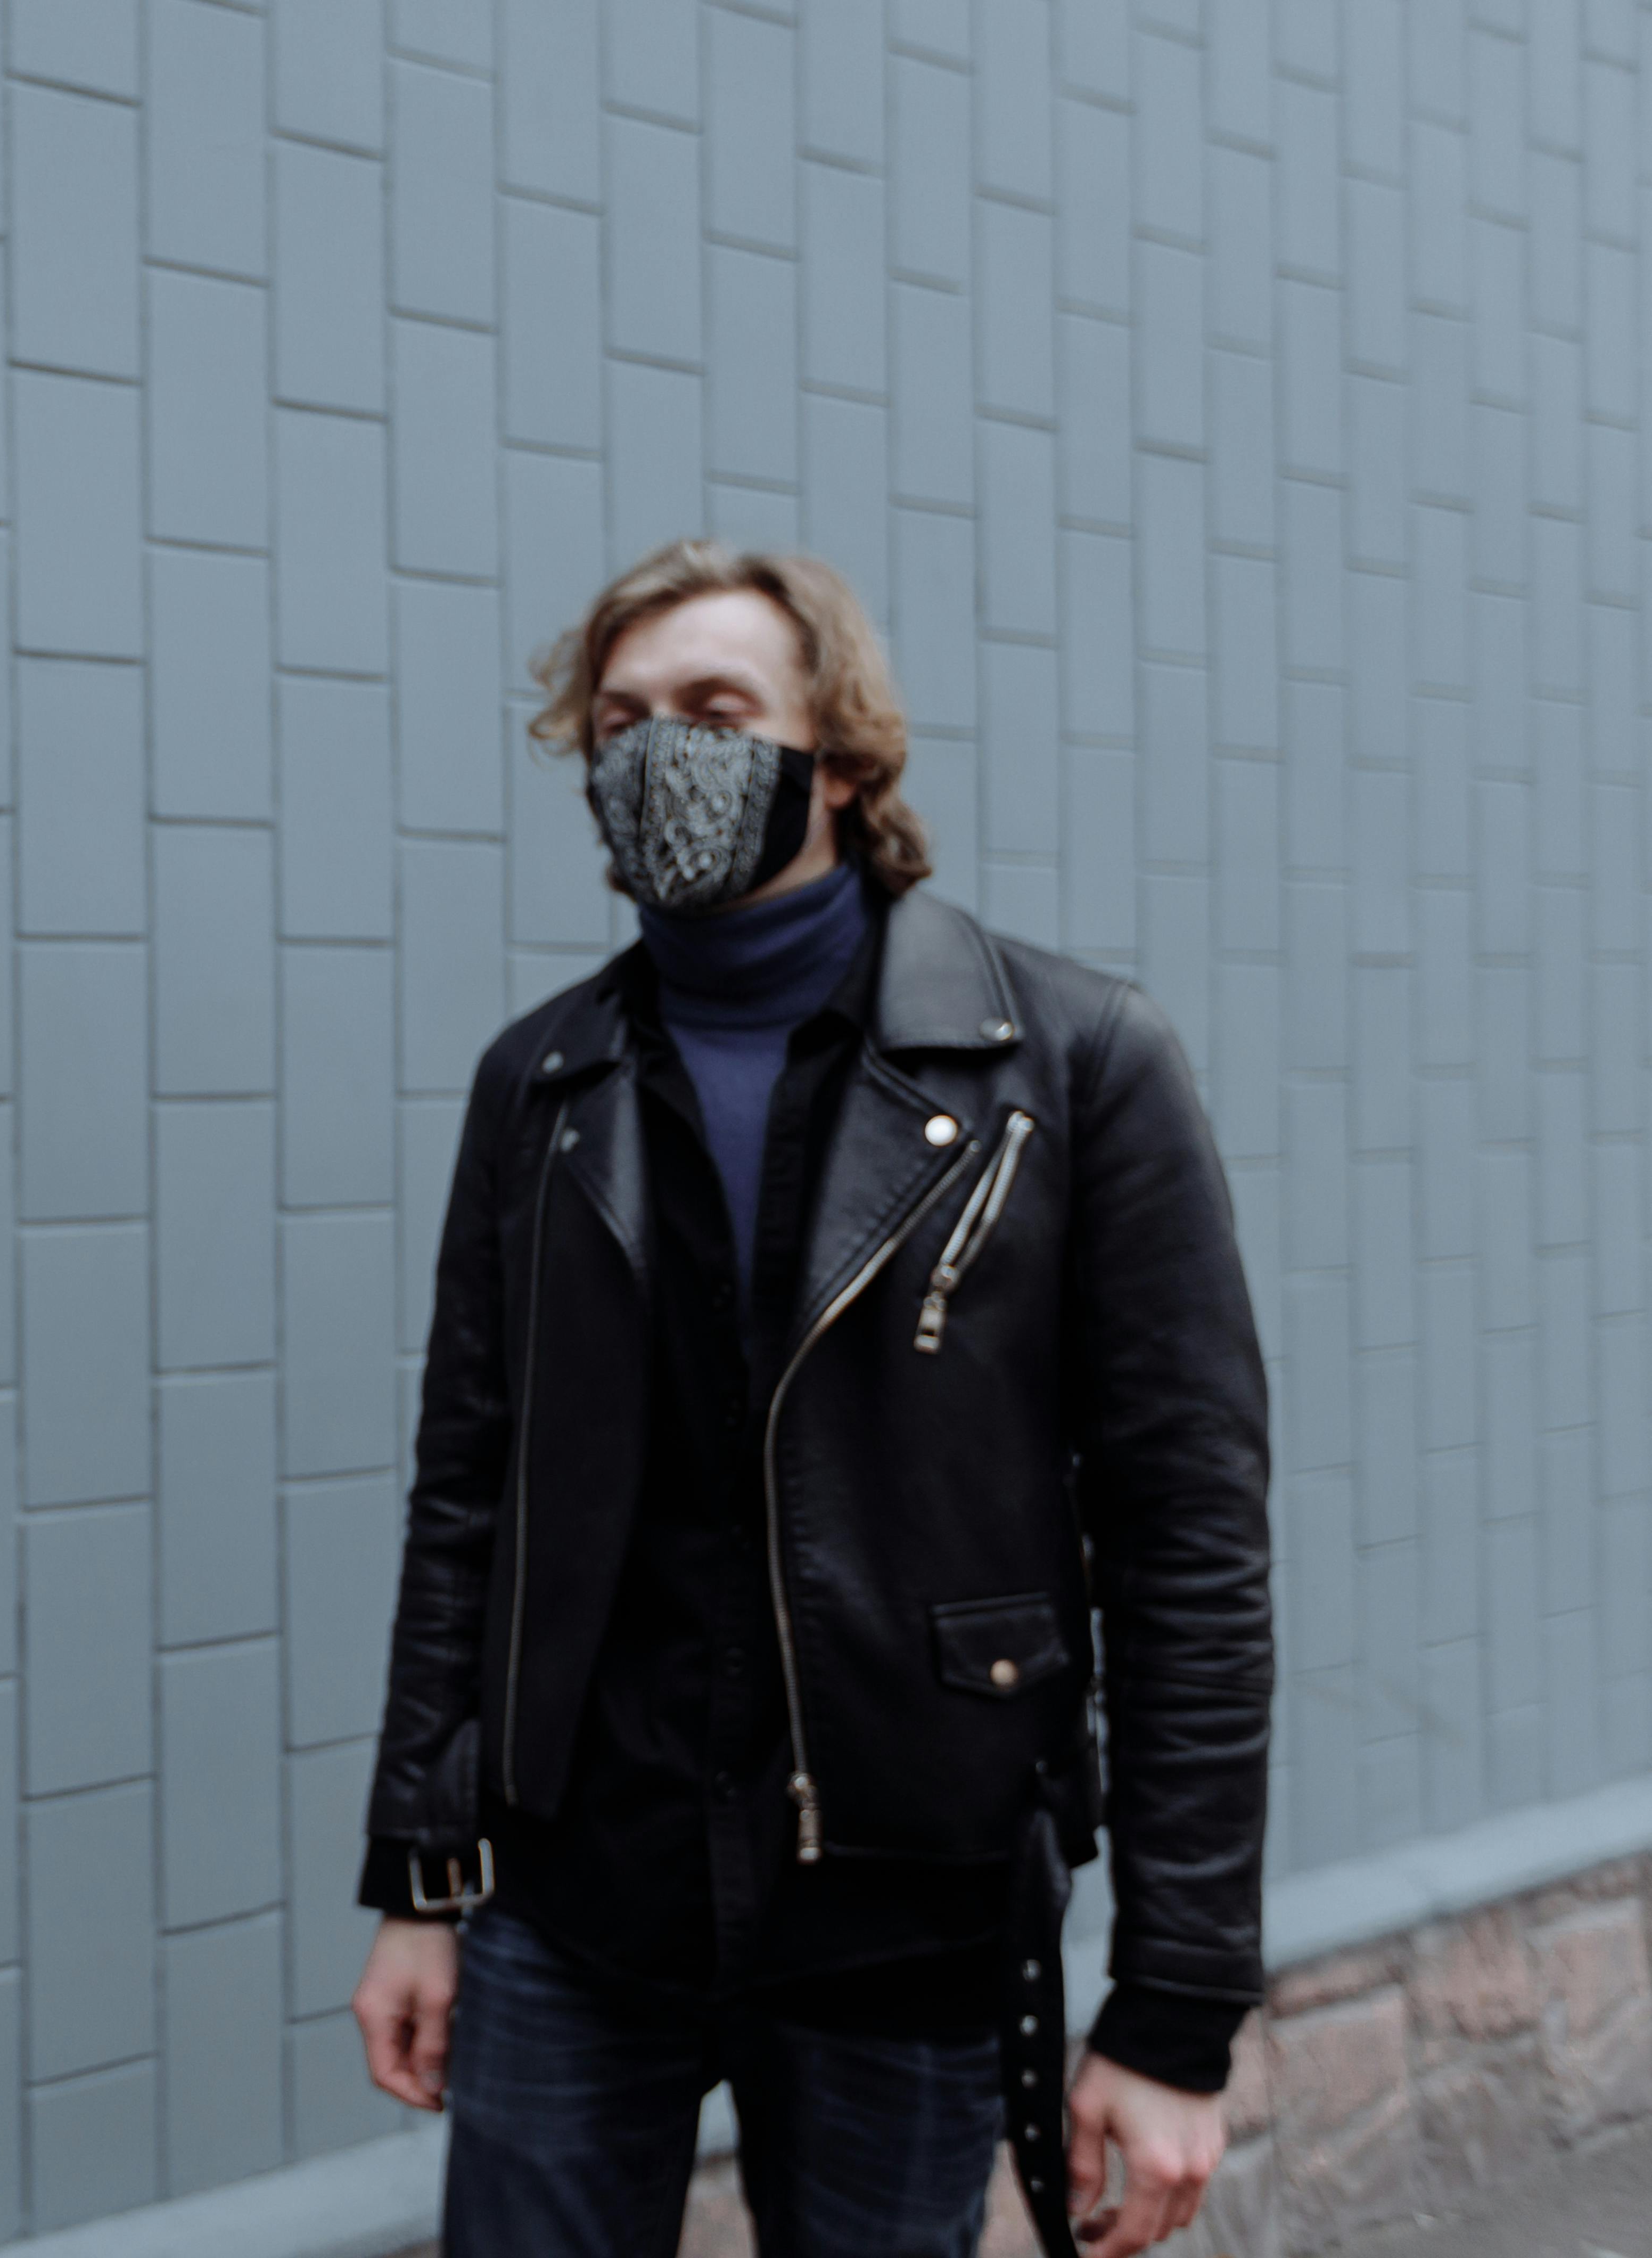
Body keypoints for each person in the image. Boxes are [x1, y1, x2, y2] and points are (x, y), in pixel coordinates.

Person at [350, 540, 1272, 2258]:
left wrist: (1174, 2010)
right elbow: (468, 1494)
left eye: (713, 710)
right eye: (618, 720)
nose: (653, 754)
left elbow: (1191, 1559)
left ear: (838, 755)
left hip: (906, 1915)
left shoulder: (1069, 1069)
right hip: (578, 1904)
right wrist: (420, 1881)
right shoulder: (543, 1080)